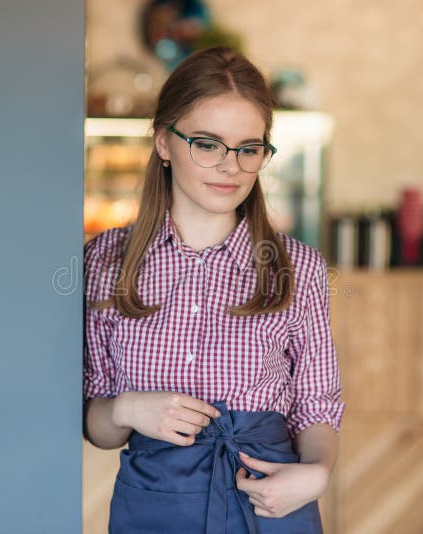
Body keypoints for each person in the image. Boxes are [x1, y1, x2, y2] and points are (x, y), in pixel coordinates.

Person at [82, 47, 344, 533]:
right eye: (207, 144)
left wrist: (316, 474)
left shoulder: (299, 268)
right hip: (155, 507)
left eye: (249, 148)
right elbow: (97, 425)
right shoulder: (103, 262)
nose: (231, 166)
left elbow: (316, 406)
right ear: (164, 142)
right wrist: (126, 407)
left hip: (269, 506)